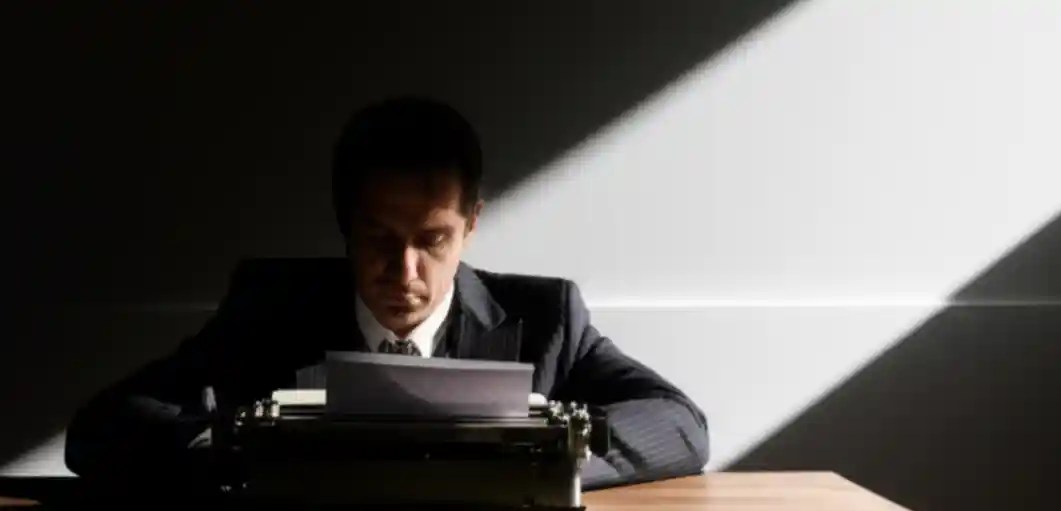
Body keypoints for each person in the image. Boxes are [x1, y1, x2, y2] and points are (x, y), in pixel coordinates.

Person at [65, 96, 708, 489]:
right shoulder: (265, 309)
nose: (405, 274)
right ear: (345, 224)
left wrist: (545, 453)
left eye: (432, 242)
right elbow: (98, 430)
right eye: (380, 241)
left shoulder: (546, 318)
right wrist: (239, 445)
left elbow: (681, 427)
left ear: (471, 225)